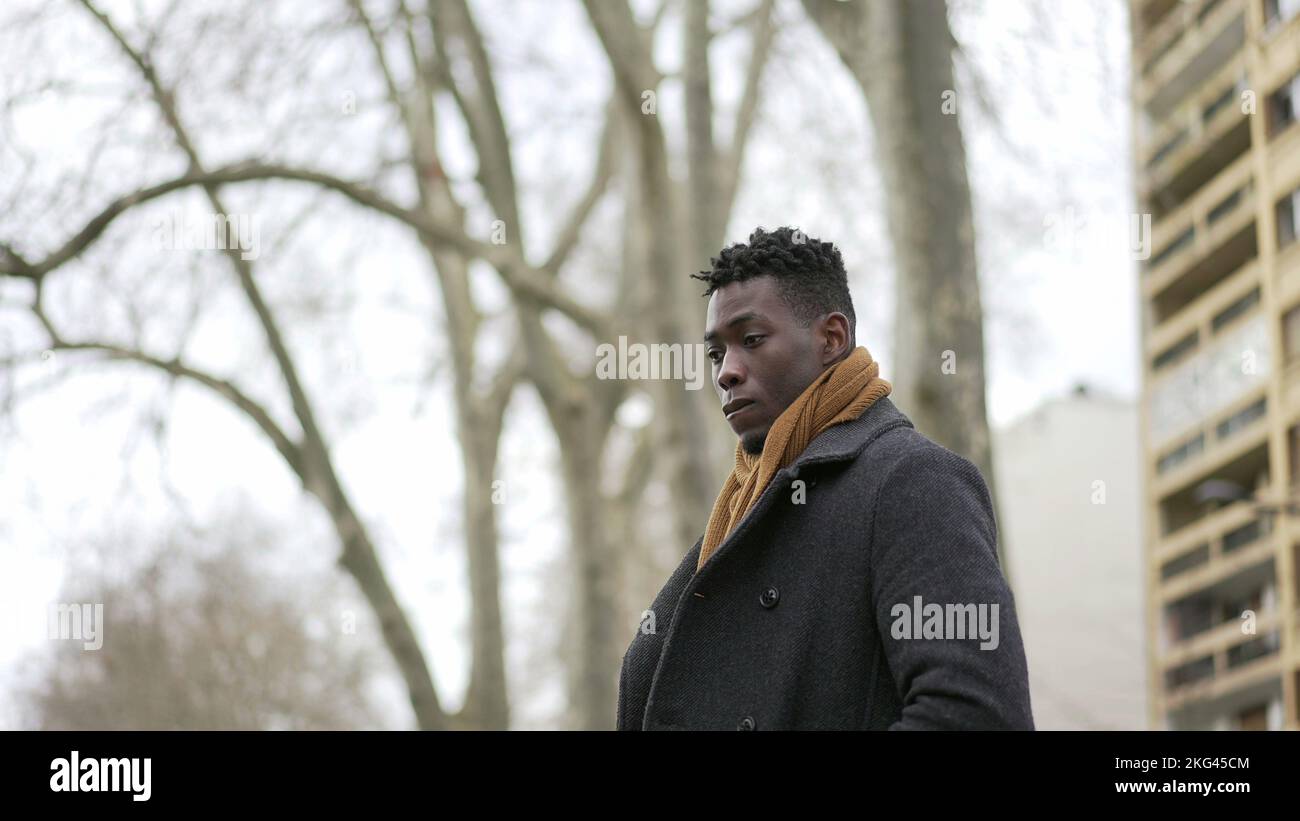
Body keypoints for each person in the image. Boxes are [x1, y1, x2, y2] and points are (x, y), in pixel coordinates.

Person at [616, 226, 1033, 730]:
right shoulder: (743, 515)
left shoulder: (912, 481)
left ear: (831, 339)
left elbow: (977, 716)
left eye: (750, 340)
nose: (726, 371)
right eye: (716, 354)